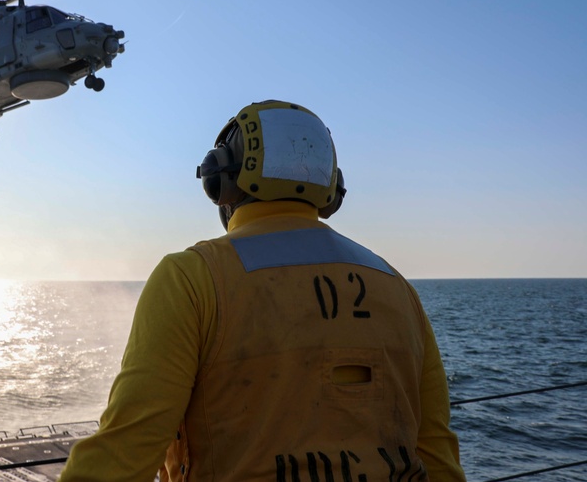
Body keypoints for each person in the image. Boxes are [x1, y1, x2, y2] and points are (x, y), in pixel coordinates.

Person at [59, 100, 465, 482]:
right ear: (332, 188)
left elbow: (123, 453)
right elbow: (439, 459)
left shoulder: (191, 278)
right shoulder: (397, 288)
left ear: (221, 179)